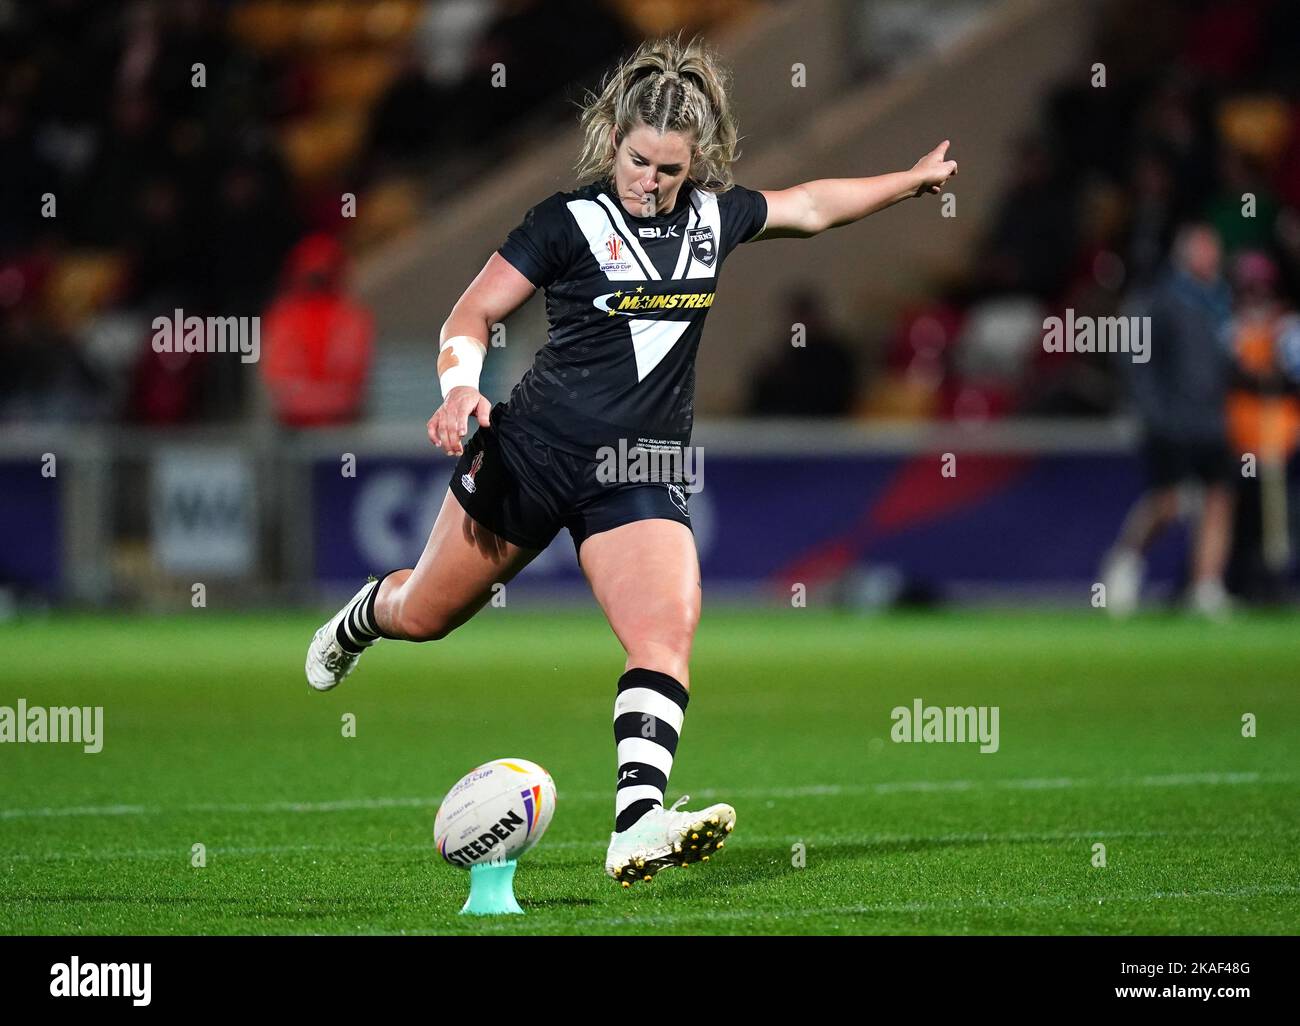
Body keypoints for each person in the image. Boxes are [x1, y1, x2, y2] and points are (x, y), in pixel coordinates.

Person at [303, 35, 958, 885]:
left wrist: (908, 183)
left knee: (664, 635)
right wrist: (461, 389)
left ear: (698, 167)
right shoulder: (565, 221)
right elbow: (468, 314)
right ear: (613, 139)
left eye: (670, 170)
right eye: (638, 161)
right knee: (425, 615)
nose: (649, 182)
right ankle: (362, 617)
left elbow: (810, 204)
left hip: (637, 470)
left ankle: (637, 823)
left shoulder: (715, 220)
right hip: (528, 456)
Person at [1101, 223, 1235, 616]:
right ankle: (1125, 560)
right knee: (1168, 503)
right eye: (1205, 250)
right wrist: (1148, 409)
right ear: (1186, 255)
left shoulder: (1221, 301)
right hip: (1170, 421)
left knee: (1218, 499)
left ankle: (1206, 587)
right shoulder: (1160, 299)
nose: (1213, 258)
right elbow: (1132, 355)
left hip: (1212, 420)